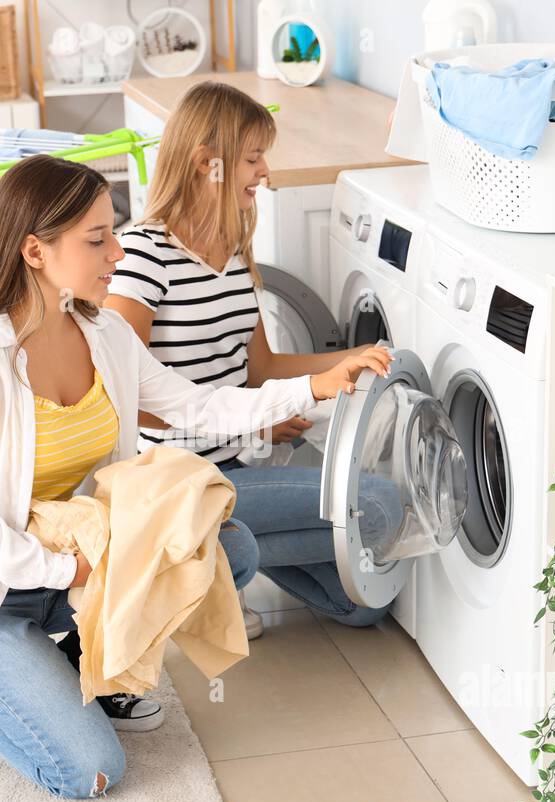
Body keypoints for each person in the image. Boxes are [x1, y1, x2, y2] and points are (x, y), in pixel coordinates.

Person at [0, 153, 393, 799]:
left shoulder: (101, 334)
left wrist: (313, 388)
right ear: (34, 251)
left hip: (91, 559)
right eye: (96, 239)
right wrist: (68, 573)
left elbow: (197, 405)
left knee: (226, 544)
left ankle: (84, 658)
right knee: (90, 773)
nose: (117, 252)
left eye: (114, 232)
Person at [105, 81, 403, 636]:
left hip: (234, 467)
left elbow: (261, 369)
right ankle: (186, 557)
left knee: (363, 604)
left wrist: (350, 357)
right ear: (205, 164)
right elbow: (123, 400)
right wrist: (259, 414)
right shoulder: (145, 255)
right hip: (173, 482)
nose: (266, 172)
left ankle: (207, 565)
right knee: (379, 505)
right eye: (252, 158)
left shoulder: (235, 255)